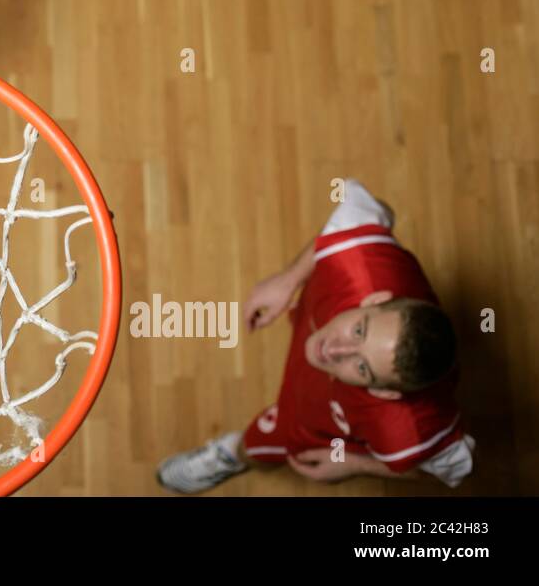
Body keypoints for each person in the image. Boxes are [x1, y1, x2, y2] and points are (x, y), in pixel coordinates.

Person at [158, 180, 474, 492]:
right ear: (375, 300)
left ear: (388, 394)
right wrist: (290, 277)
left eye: (362, 366)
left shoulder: (408, 427)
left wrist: (355, 464)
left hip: (316, 415)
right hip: (313, 321)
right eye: (359, 330)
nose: (334, 349)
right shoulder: (361, 264)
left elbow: (450, 471)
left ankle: (231, 455)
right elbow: (376, 208)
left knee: (266, 444)